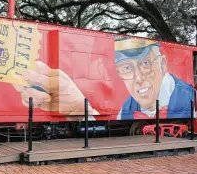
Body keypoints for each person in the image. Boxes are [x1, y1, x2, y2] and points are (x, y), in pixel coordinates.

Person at [13, 37, 195, 121]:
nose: (138, 78)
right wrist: (78, 108)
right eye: (127, 68)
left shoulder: (187, 97)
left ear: (162, 64)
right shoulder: (127, 107)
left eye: (146, 63)